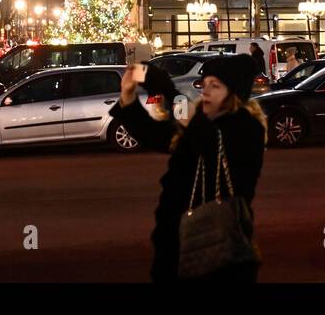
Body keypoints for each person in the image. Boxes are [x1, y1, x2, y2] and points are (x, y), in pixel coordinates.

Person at [110, 55, 267, 282]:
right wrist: (128, 96)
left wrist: (165, 88)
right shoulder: (201, 119)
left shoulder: (245, 127)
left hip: (216, 239)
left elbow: (207, 139)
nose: (206, 91)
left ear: (234, 93)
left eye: (216, 86)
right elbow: (158, 136)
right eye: (205, 84)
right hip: (179, 237)